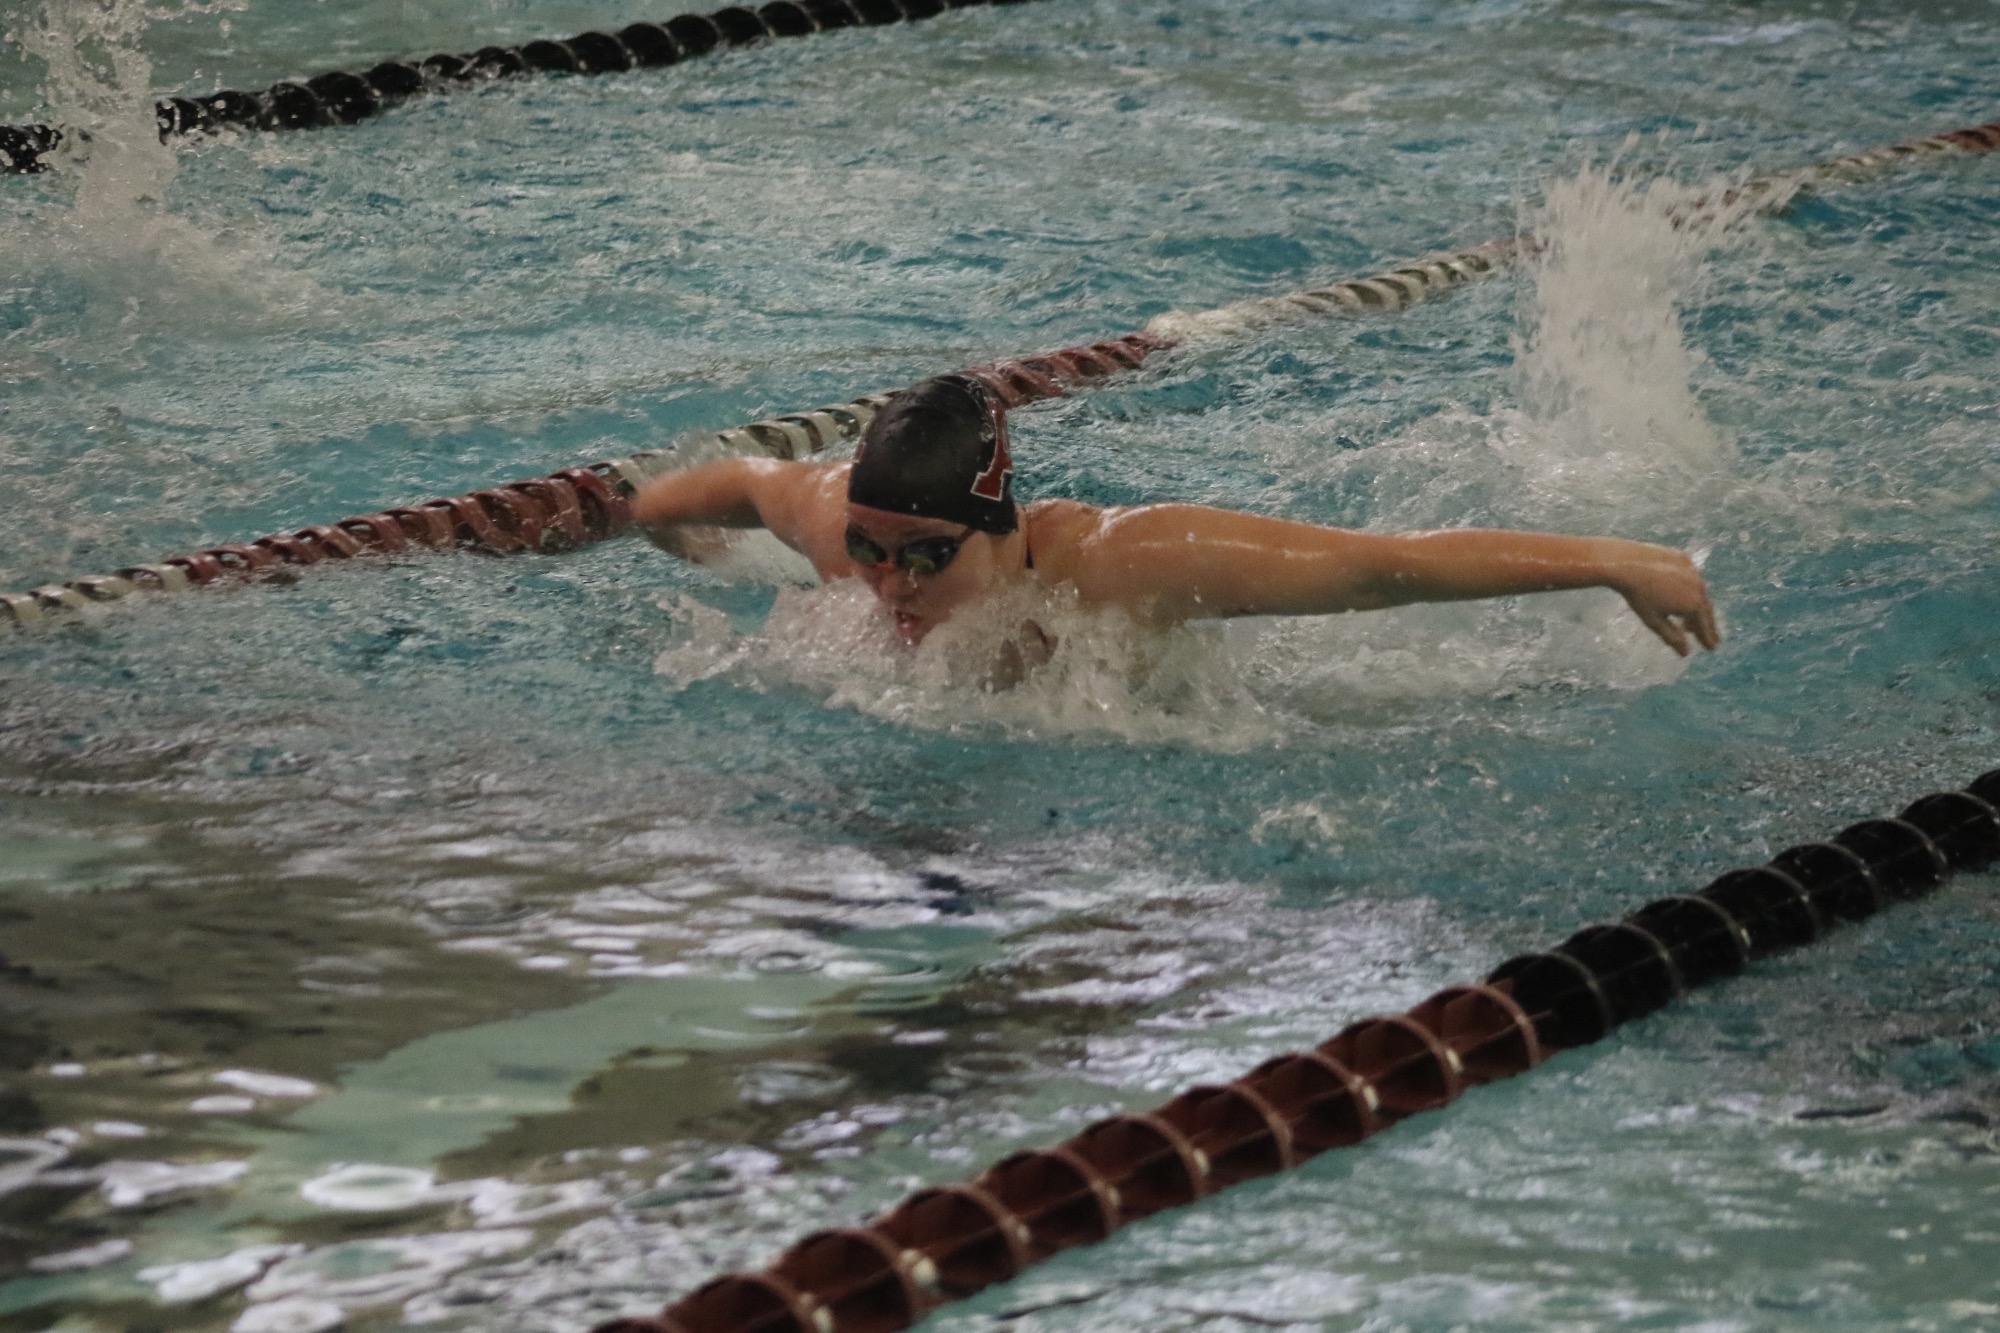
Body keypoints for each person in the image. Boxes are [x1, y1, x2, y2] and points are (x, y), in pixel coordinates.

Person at [633, 374, 1720, 660]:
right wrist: (656, 524)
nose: (886, 585)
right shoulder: (844, 525)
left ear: (1003, 530)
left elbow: (1378, 568)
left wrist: (1610, 560)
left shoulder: (1124, 565)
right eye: (870, 551)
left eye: (923, 557)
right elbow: (736, 481)